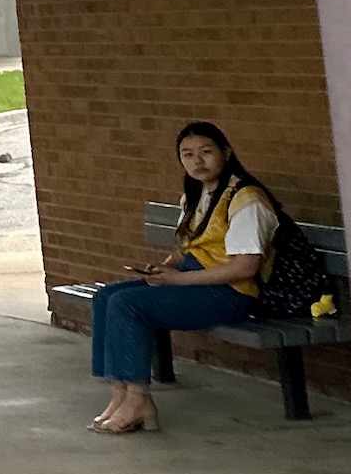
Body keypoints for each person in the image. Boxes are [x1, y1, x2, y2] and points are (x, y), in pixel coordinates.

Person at [89, 120, 275, 434]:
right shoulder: (196, 195)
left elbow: (245, 268)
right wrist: (162, 269)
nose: (197, 161)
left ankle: (138, 399)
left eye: (206, 152)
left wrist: (177, 280)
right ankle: (120, 394)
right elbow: (187, 249)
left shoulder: (246, 199)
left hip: (232, 293)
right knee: (106, 297)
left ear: (226, 153)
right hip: (195, 282)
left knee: (127, 304)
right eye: (187, 155)